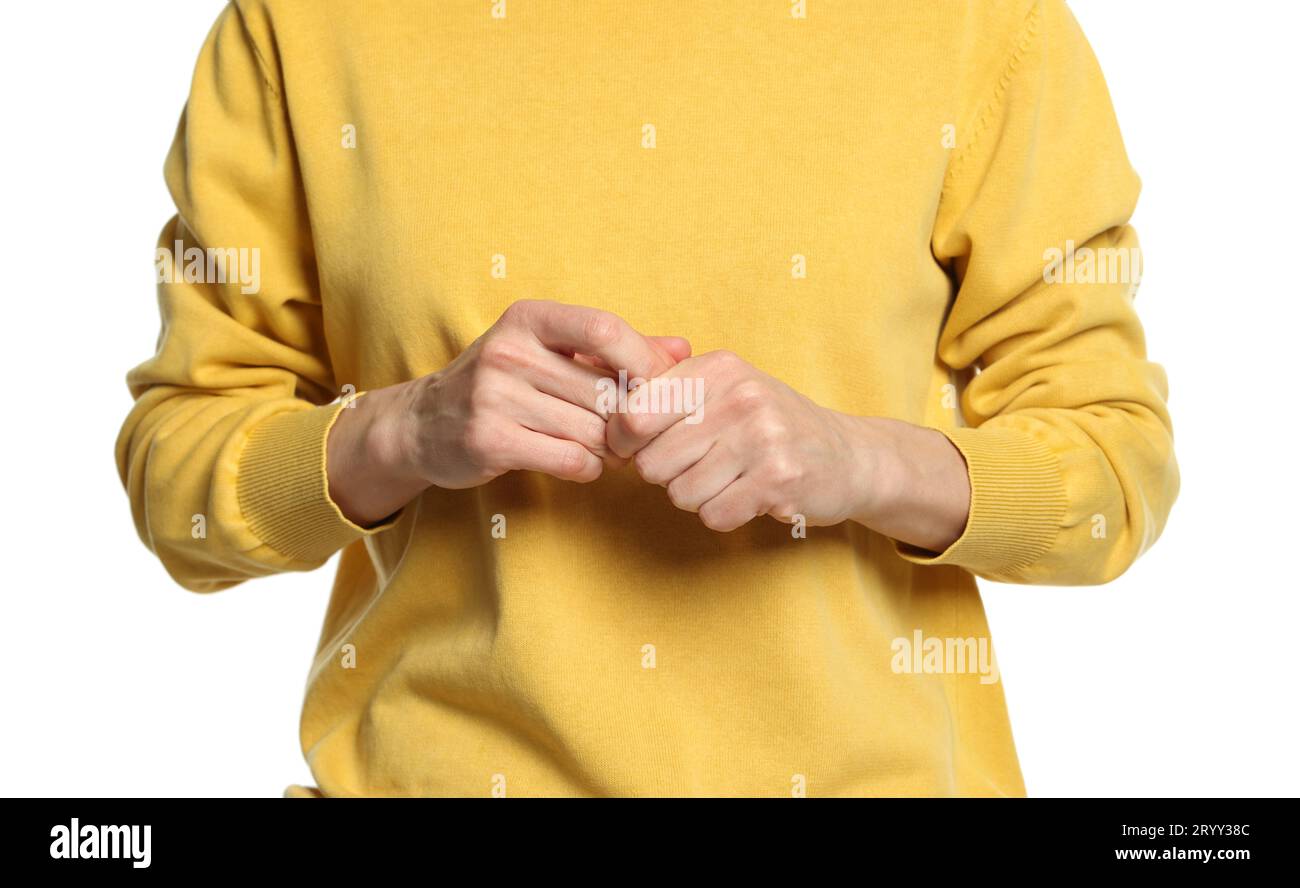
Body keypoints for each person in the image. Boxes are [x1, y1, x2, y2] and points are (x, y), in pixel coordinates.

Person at [117, 0, 1178, 797]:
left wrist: (862, 463)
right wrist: (402, 430)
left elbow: (1112, 478)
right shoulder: (298, 25)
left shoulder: (973, 24)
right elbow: (182, 493)